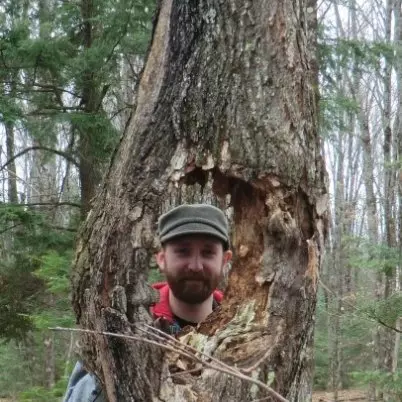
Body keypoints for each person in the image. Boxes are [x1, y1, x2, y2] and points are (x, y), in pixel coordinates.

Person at [63, 203, 232, 402]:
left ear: (224, 260)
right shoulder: (125, 324)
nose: (195, 266)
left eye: (208, 253)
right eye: (183, 251)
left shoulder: (249, 331)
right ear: (161, 259)